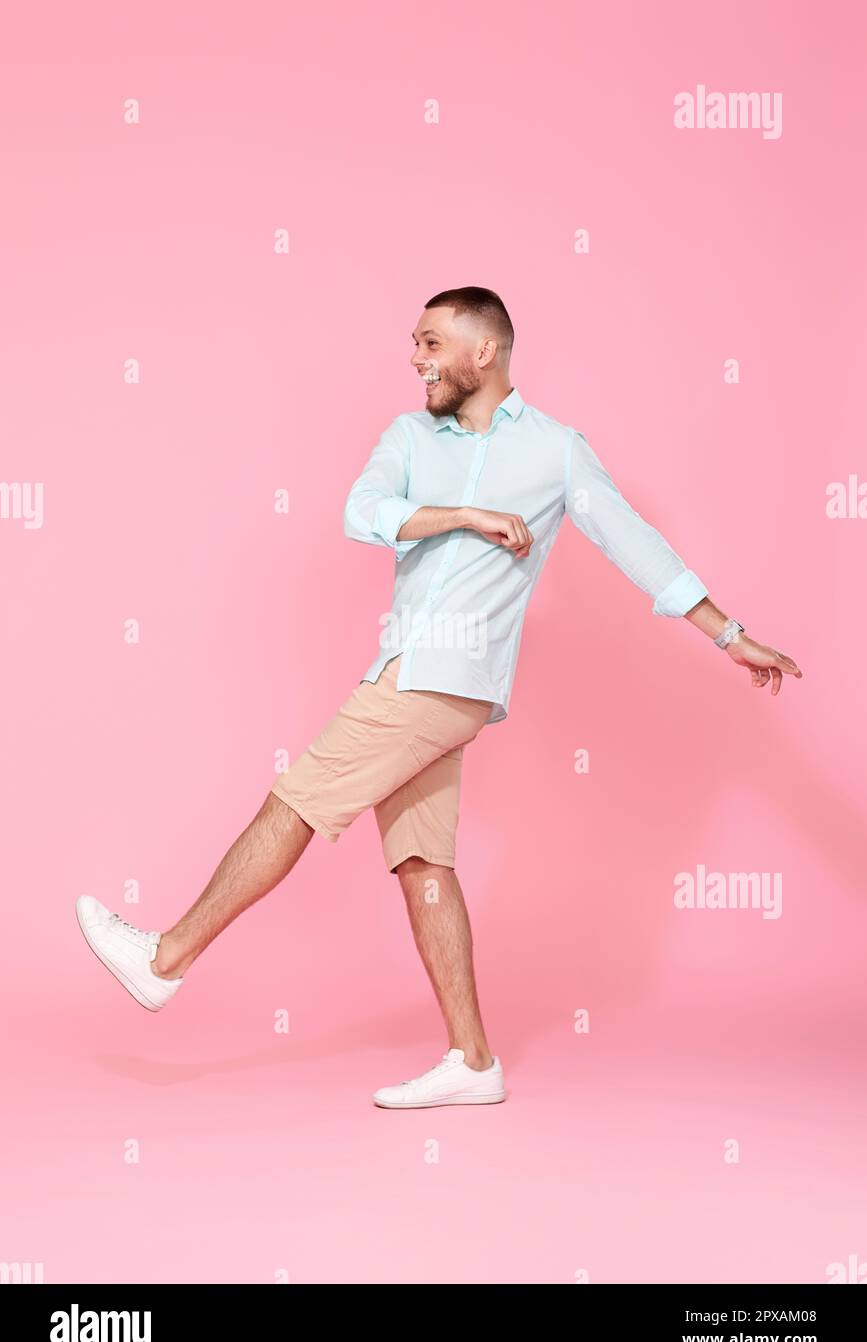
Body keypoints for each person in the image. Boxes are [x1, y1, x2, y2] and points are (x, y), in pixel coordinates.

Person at [75, 286, 803, 1109]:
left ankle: (164, 960)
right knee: (424, 863)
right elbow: (363, 512)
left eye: (429, 344)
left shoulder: (558, 451)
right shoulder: (410, 438)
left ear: (481, 352)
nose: (415, 359)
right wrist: (461, 514)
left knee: (296, 800)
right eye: (414, 345)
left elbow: (635, 542)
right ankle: (473, 1061)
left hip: (442, 681)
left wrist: (727, 632)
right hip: (406, 667)